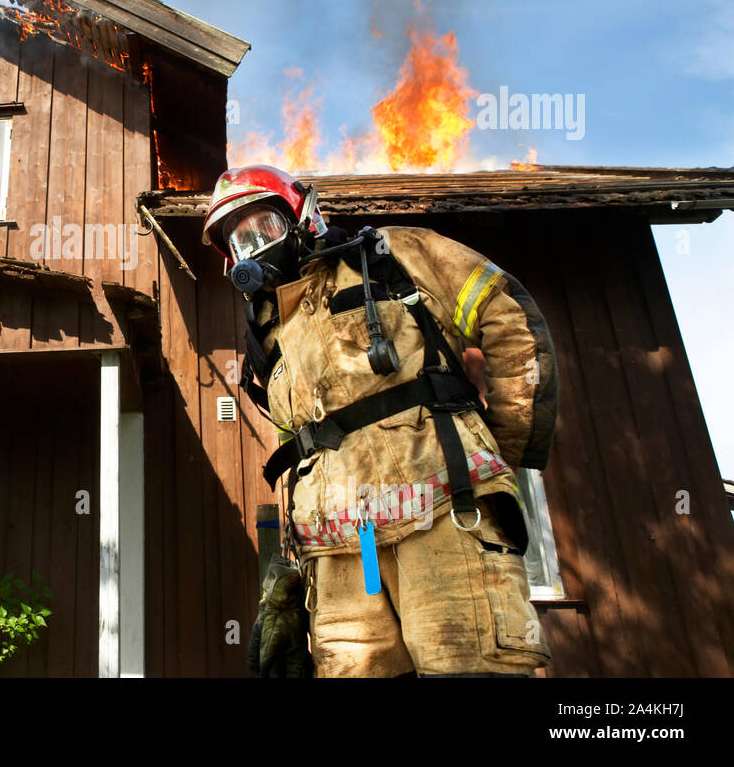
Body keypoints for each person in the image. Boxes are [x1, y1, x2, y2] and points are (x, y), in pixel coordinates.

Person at [206, 165, 558, 678]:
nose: (254, 248)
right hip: (341, 562)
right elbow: (301, 448)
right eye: (239, 242)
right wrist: (295, 563)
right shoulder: (268, 334)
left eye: (265, 227)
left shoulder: (393, 256)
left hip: (443, 521)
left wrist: (500, 449)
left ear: (302, 215)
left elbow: (509, 316)